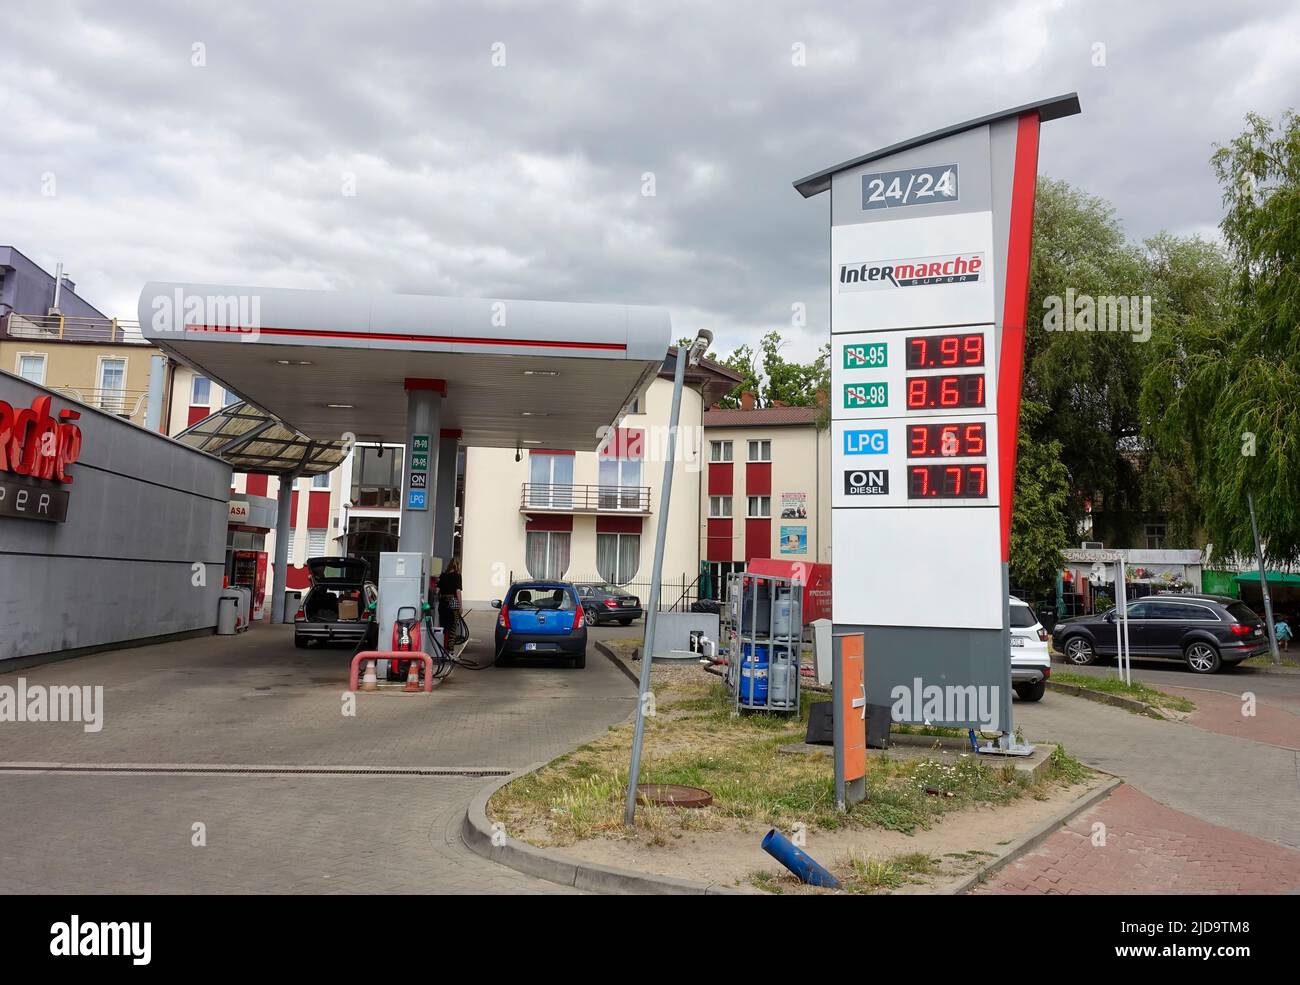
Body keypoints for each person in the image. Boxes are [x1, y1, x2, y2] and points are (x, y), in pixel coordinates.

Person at [437, 558, 463, 650]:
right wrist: (460, 606)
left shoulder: (443, 575)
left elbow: (437, 591)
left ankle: (442, 648)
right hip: (453, 602)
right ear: (457, 565)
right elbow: (458, 591)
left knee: (443, 626)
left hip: (442, 603)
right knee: (452, 628)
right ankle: (450, 650)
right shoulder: (457, 576)